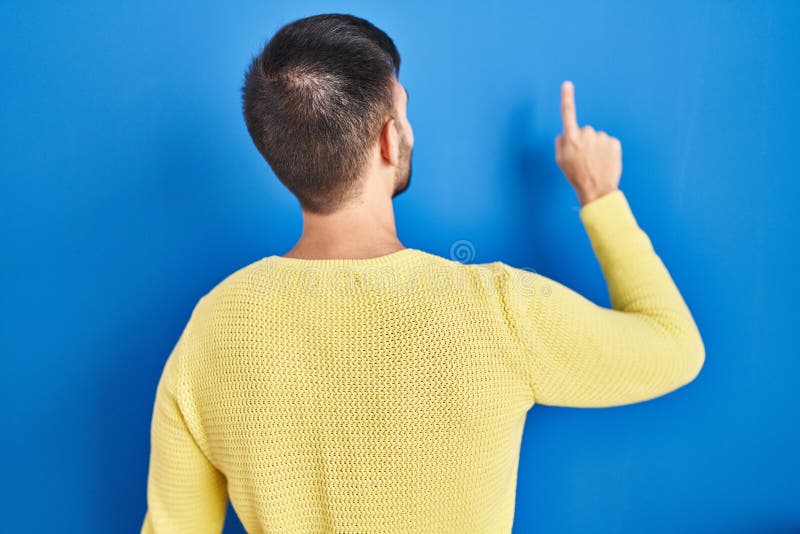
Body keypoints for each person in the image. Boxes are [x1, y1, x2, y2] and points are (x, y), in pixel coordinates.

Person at [140, 13, 704, 534]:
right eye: (403, 111)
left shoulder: (212, 330)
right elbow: (676, 347)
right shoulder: (496, 309)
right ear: (391, 138)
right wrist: (600, 196)